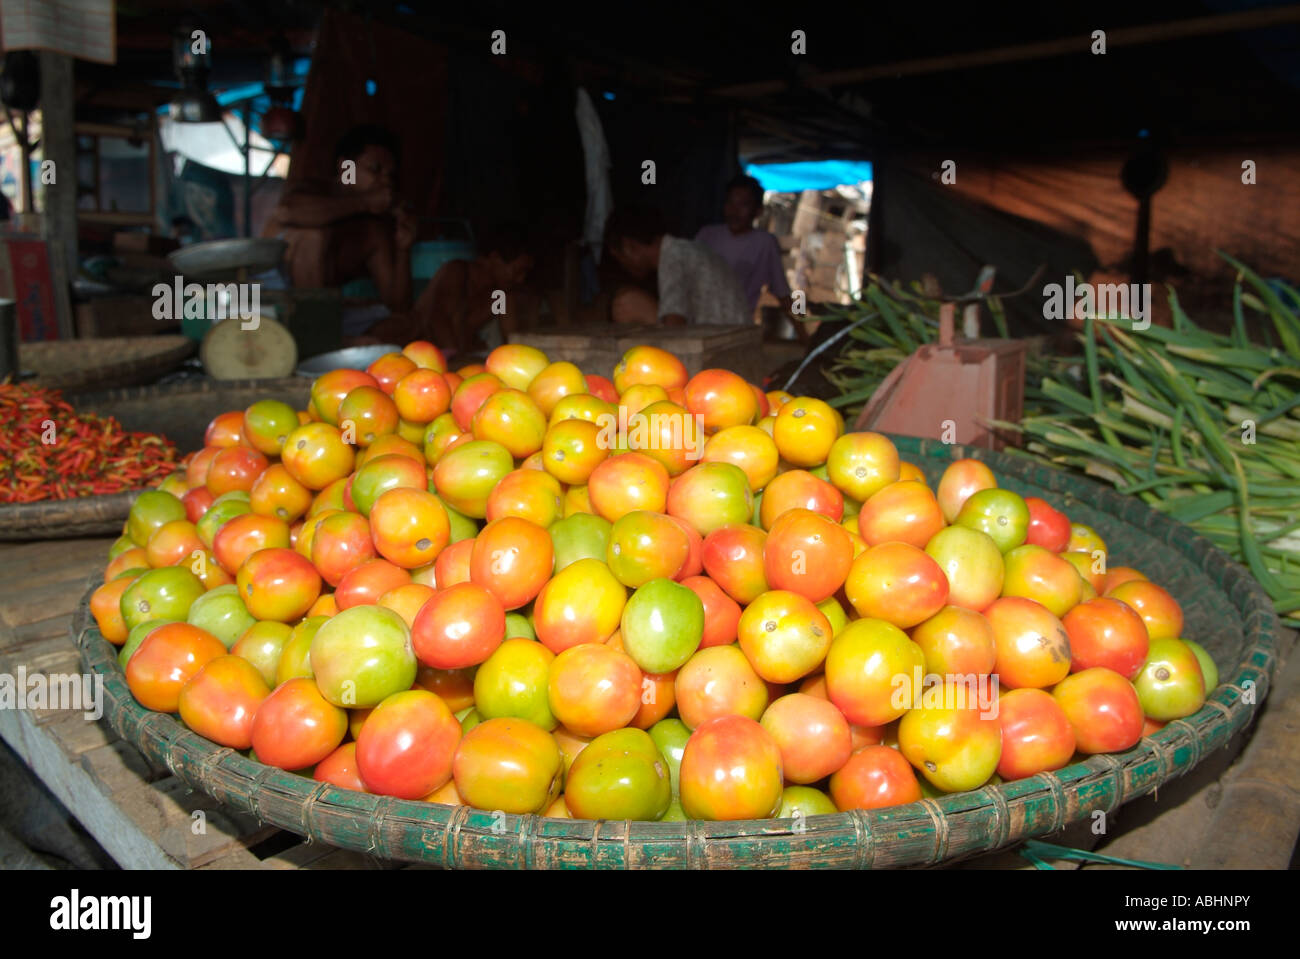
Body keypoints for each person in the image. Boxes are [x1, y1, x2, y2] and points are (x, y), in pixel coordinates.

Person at [261, 124, 416, 318]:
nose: (385, 182)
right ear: (346, 168)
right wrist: (365, 202)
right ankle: (317, 334)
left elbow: (398, 306)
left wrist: (403, 249)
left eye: (390, 175)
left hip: (320, 315)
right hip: (265, 307)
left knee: (399, 327)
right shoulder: (311, 192)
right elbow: (286, 213)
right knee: (313, 236)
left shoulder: (371, 231)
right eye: (375, 170)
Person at [361, 224, 535, 353]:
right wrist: (458, 358)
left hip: (449, 355)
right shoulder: (457, 271)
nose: (521, 279)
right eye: (517, 271)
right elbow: (439, 320)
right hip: (409, 345)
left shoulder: (500, 295)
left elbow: (512, 339)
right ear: (495, 258)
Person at [695, 173, 808, 342]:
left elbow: (782, 293)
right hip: (696, 328)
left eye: (744, 205)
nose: (735, 211)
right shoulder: (706, 236)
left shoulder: (764, 243)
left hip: (735, 332)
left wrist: (804, 335)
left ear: (758, 211)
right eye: (731, 203)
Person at [604, 205, 748, 327]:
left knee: (625, 304)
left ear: (630, 247)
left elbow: (674, 326)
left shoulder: (673, 257)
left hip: (725, 347)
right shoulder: (683, 250)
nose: (623, 266)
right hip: (734, 339)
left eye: (620, 258)